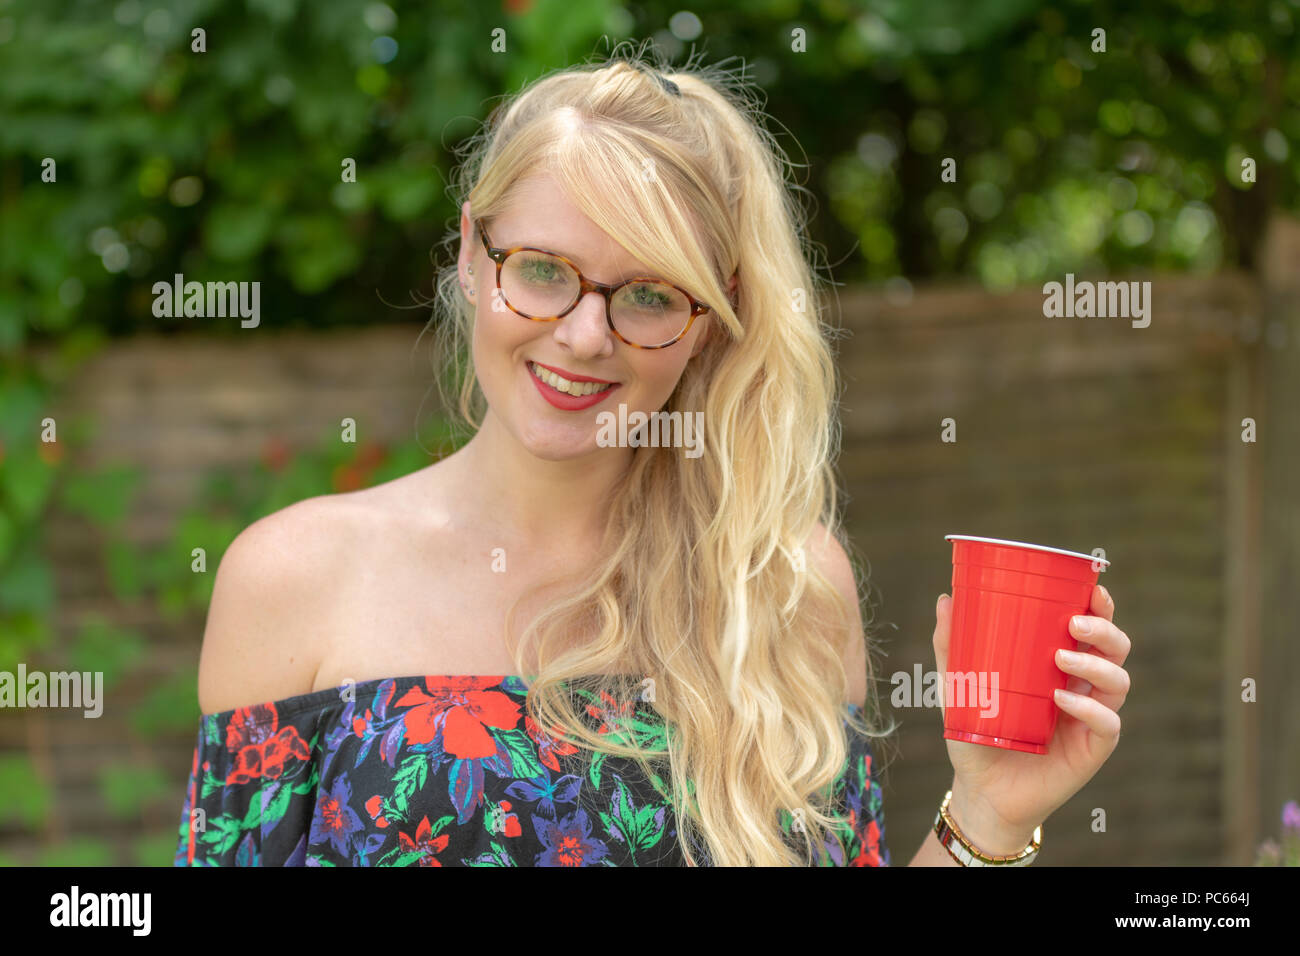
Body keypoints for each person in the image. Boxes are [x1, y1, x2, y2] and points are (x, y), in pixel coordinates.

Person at [174, 48, 1131, 867]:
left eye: (647, 293)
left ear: (713, 320)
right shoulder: (293, 578)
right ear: (472, 253)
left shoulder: (787, 586)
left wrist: (992, 815)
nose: (586, 336)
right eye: (543, 271)